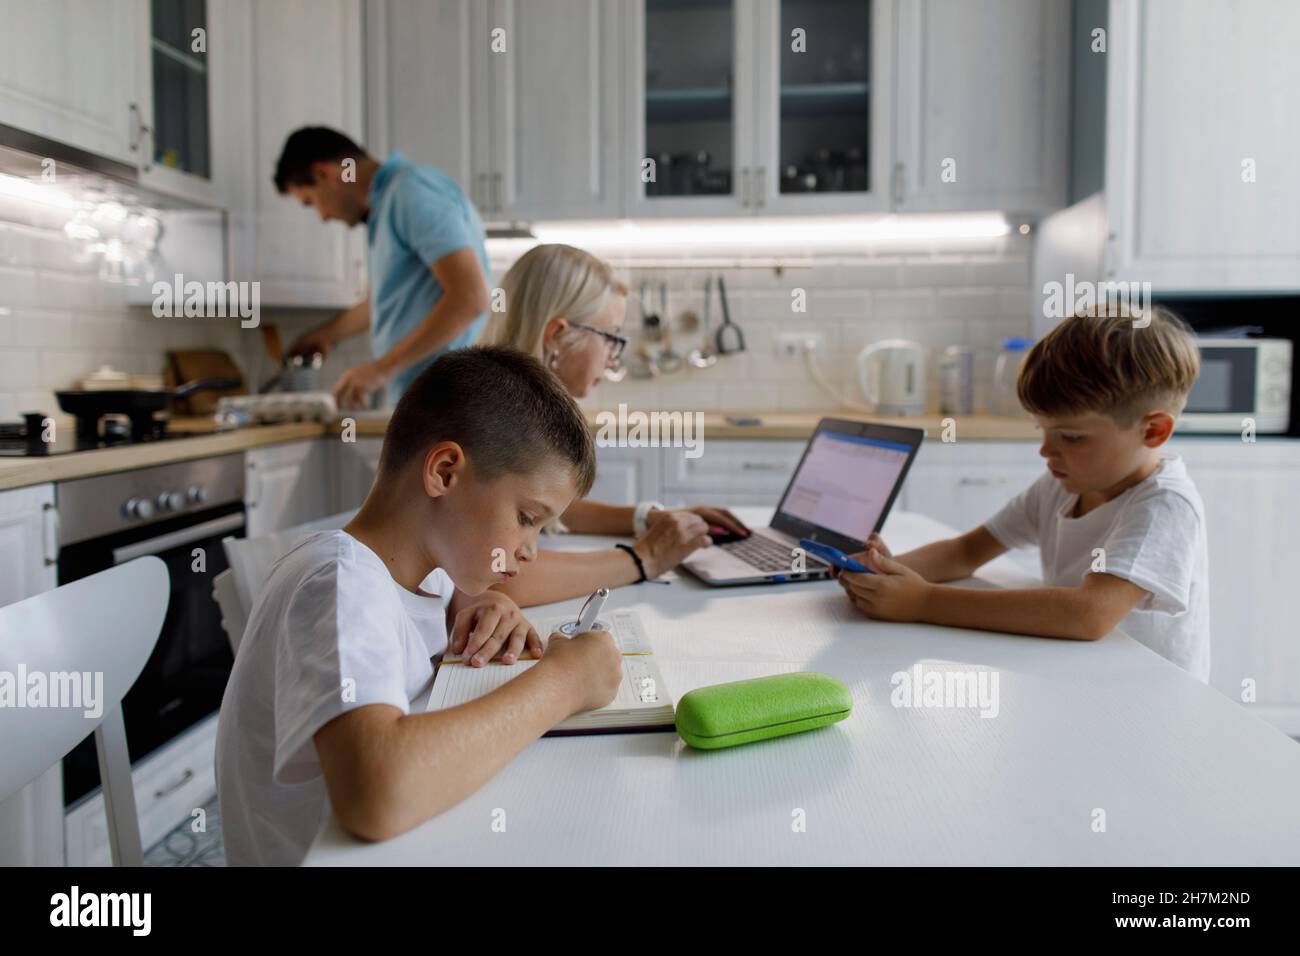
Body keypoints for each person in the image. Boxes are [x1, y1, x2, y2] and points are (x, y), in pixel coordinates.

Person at [215, 347, 624, 865]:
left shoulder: (426, 574)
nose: (530, 549)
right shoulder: (339, 582)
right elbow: (377, 794)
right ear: (446, 472)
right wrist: (564, 684)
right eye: (526, 516)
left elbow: (428, 630)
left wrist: (492, 606)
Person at [836, 306, 1211, 682]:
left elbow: (1088, 614)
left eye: (1071, 437)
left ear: (1154, 432)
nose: (1046, 450)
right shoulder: (1061, 486)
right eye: (1042, 430)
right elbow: (967, 550)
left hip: (1148, 706)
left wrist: (922, 601)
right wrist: (887, 573)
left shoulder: (1164, 505)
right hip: (1081, 679)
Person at [482, 243, 751, 604]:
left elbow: (550, 509)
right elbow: (497, 575)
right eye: (611, 338)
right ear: (557, 336)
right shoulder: (490, 420)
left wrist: (651, 518)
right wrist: (645, 558)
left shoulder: (518, 404)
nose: (612, 361)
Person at [273, 127, 491, 407]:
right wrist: (325, 335)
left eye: (310, 202)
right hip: (432, 401)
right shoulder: (388, 204)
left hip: (449, 400)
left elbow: (471, 297)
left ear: (323, 174)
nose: (323, 216)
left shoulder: (410, 192)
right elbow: (391, 301)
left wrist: (382, 369)